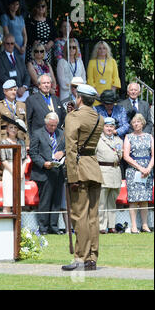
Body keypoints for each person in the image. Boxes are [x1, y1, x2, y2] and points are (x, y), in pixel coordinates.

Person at [63, 84, 104, 272]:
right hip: (94, 167)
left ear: (79, 98)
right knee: (93, 216)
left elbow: (71, 149)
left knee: (79, 215)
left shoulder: (73, 117)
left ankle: (80, 257)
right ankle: (92, 258)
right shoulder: (100, 118)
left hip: (79, 169)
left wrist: (72, 176)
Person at [29, 112, 65, 235]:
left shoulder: (61, 133)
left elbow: (68, 147)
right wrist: (43, 163)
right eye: (50, 125)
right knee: (45, 201)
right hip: (44, 172)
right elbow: (33, 153)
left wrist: (63, 153)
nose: (53, 128)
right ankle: (43, 227)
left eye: (55, 125)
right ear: (46, 123)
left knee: (56, 201)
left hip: (58, 171)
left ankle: (54, 226)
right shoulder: (37, 133)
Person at [123, 113, 154, 234]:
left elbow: (153, 155)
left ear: (142, 123)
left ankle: (145, 225)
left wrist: (148, 168)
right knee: (134, 199)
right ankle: (134, 226)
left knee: (145, 199)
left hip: (147, 170)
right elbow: (126, 156)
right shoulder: (128, 137)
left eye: (138, 122)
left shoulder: (149, 136)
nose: (136, 124)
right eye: (134, 122)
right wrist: (141, 168)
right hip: (133, 170)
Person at [96, 117, 123, 234]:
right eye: (107, 126)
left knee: (112, 201)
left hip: (115, 171)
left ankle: (111, 225)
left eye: (111, 126)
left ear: (114, 128)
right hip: (102, 171)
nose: (109, 129)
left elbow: (120, 156)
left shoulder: (119, 140)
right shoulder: (98, 140)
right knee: (101, 202)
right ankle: (101, 226)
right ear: (103, 127)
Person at [0, 116, 27, 214]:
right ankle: (6, 227)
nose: (13, 130)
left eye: (15, 128)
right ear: (7, 129)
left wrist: (21, 172)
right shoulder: (3, 142)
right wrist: (14, 171)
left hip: (20, 170)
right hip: (9, 170)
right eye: (11, 127)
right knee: (8, 200)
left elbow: (24, 159)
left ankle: (18, 227)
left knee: (19, 201)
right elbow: (3, 160)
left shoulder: (21, 142)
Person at [0, 33, 30, 102]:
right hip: (6, 94)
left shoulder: (19, 58)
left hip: (22, 94)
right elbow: (2, 76)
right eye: (8, 43)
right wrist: (16, 89)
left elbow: (26, 74)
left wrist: (24, 87)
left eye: (12, 43)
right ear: (4, 44)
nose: (10, 45)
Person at [0, 79, 28, 146]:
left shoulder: (22, 105)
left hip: (20, 139)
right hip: (5, 139)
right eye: (11, 90)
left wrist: (27, 144)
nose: (13, 92)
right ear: (5, 91)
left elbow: (26, 125)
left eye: (15, 90)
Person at [25, 0, 57, 64]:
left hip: (46, 49)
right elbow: (27, 35)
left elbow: (54, 35)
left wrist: (49, 44)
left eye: (43, 6)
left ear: (45, 8)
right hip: (33, 50)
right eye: (38, 6)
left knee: (46, 69)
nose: (41, 8)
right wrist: (34, 43)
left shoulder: (50, 21)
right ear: (35, 8)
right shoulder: (29, 21)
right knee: (34, 69)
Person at [0, 0, 27, 64]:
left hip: (22, 47)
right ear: (9, 5)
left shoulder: (21, 17)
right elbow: (7, 34)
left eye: (17, 4)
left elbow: (24, 34)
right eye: (13, 4)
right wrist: (18, 48)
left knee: (21, 67)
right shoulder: (5, 17)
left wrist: (24, 45)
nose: (15, 6)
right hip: (11, 46)